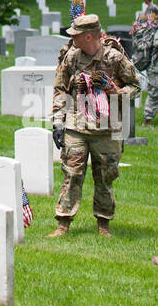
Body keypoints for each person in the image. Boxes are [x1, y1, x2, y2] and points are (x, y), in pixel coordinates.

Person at [50, 12, 141, 239]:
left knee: (105, 176)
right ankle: (63, 223)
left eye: (76, 35)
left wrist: (117, 92)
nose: (72, 39)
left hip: (107, 128)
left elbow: (136, 87)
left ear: (89, 37)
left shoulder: (114, 58)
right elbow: (60, 89)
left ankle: (103, 222)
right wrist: (58, 122)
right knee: (71, 174)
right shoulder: (71, 57)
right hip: (76, 126)